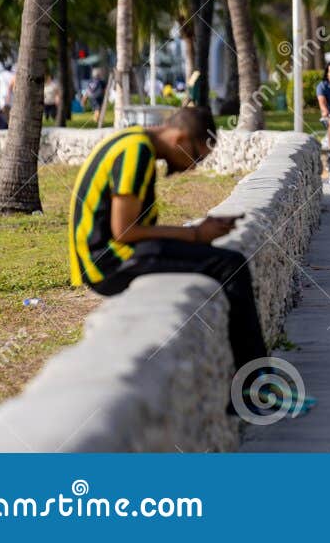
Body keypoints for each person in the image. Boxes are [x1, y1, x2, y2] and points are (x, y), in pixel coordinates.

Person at [66, 107, 304, 413]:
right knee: (230, 265)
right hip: (108, 263)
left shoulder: (132, 142)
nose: (192, 167)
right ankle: (253, 387)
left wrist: (200, 234)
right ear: (179, 138)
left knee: (228, 262)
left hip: (116, 256)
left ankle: (253, 383)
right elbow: (124, 230)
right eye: (195, 157)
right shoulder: (135, 151)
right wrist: (195, 236)